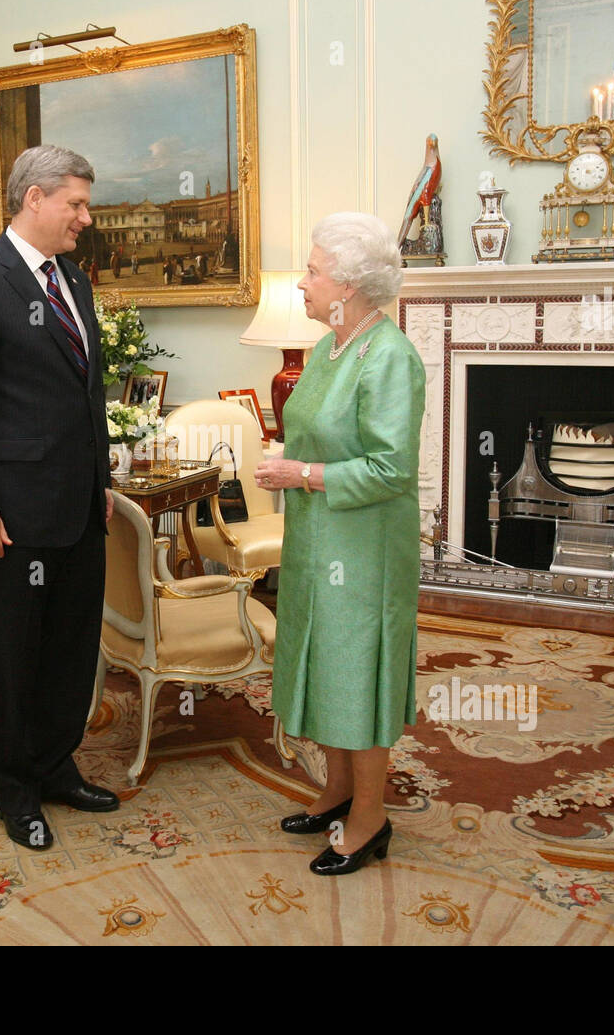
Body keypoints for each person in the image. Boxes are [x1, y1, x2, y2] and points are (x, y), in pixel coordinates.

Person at [0, 144, 119, 851]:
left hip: (78, 508)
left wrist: (100, 480)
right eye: (74, 202)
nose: (85, 216)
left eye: (85, 203)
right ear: (33, 198)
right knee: (15, 655)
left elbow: (87, 394)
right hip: (10, 516)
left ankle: (55, 765)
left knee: (71, 649)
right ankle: (16, 790)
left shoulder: (75, 281)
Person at [254, 212, 424, 877]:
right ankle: (337, 790)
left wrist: (301, 474)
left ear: (350, 285)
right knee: (323, 663)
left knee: (358, 675)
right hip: (314, 537)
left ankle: (370, 817)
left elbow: (392, 469)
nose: (303, 282)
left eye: (314, 270)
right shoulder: (329, 347)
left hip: (364, 548)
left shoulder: (391, 357)